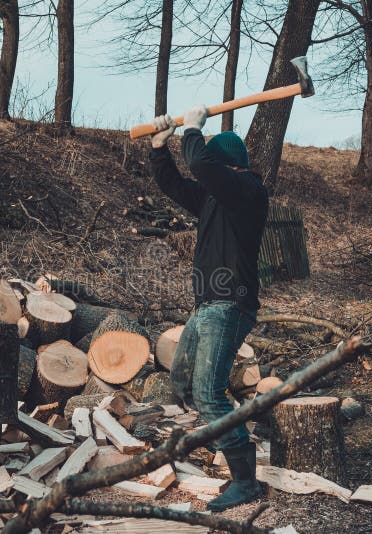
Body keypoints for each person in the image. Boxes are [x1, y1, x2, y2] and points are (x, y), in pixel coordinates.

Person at [148, 106, 269, 511]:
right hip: (206, 306)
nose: (206, 171)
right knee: (181, 381)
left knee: (209, 392)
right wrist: (159, 145)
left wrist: (194, 128)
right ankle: (215, 437)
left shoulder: (246, 191)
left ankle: (246, 480)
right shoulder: (216, 198)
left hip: (230, 304)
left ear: (227, 167)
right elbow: (173, 184)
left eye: (215, 165)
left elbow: (199, 162)